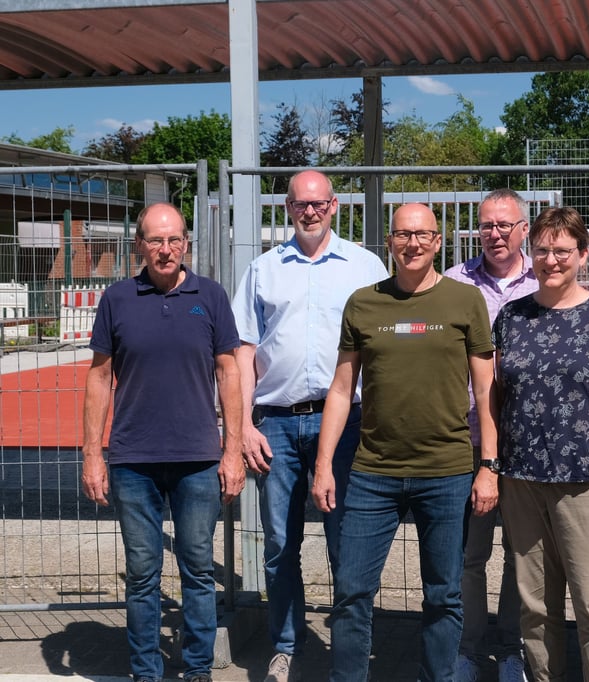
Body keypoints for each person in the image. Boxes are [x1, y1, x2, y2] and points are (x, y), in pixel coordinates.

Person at [311, 203, 498, 682]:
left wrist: (488, 465)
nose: (412, 244)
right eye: (402, 235)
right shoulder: (364, 303)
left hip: (447, 471)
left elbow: (486, 388)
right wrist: (324, 464)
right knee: (352, 591)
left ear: (438, 241)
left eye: (422, 235)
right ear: (389, 242)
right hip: (373, 472)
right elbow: (340, 389)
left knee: (443, 594)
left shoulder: (465, 301)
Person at [232, 170, 388, 682]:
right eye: (301, 204)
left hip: (348, 424)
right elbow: (243, 350)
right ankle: (285, 643)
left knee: (350, 544)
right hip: (276, 424)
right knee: (279, 545)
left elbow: (384, 347)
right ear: (287, 207)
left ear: (336, 205)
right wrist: (242, 427)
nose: (311, 211)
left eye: (319, 202)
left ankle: (350, 646)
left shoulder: (365, 266)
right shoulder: (263, 269)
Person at [81, 202, 244, 682]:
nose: (165, 249)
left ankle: (197, 670)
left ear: (187, 244)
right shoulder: (117, 298)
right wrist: (93, 454)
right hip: (133, 459)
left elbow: (229, 373)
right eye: (155, 240)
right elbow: (99, 377)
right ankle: (146, 671)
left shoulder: (210, 296)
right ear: (139, 245)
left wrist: (232, 450)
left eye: (174, 240)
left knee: (197, 569)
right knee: (142, 573)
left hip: (198, 459)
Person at [494, 206, 589, 682]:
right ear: (529, 253)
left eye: (561, 250)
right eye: (541, 250)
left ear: (583, 254)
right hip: (522, 483)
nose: (551, 259)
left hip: (587, 485)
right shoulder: (512, 317)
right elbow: (496, 396)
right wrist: (492, 466)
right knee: (535, 610)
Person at [444, 188, 537, 682]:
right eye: (487, 225)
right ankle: (466, 650)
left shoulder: (545, 280)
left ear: (524, 228)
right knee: (469, 555)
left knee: (521, 556)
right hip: (468, 441)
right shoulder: (455, 283)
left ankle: (511, 649)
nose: (495, 233)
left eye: (505, 224)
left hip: (525, 442)